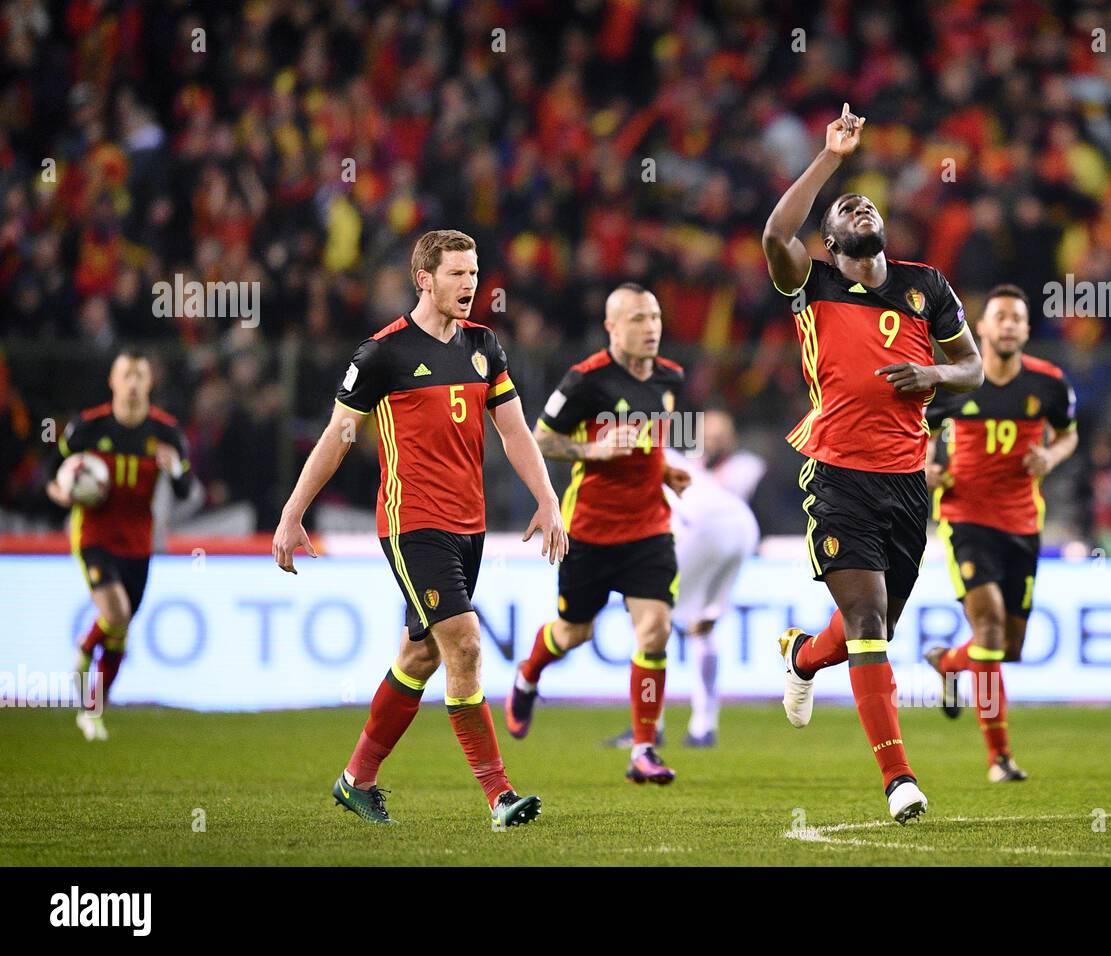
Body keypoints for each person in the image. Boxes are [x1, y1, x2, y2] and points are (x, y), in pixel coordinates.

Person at [272, 229, 567, 828]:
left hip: (470, 527)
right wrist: (292, 512)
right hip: (413, 525)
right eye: (458, 274)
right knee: (464, 642)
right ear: (424, 280)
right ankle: (499, 797)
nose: (471, 285)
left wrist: (548, 499)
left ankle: (356, 779)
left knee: (421, 653)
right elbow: (339, 436)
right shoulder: (381, 354)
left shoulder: (485, 347)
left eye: (475, 273)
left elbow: (515, 433)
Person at [762, 104, 983, 824]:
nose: (858, 205)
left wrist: (936, 380)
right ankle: (898, 780)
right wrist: (830, 158)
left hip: (907, 482)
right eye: (844, 208)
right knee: (864, 614)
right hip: (836, 472)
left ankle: (801, 659)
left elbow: (974, 370)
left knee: (871, 628)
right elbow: (773, 233)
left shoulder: (927, 285)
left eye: (864, 200)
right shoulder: (813, 283)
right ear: (829, 242)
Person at [505, 283, 691, 785]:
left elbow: (648, 442)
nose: (650, 326)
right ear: (611, 327)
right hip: (589, 531)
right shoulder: (585, 380)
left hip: (650, 528)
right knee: (574, 634)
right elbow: (542, 438)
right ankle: (528, 675)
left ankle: (644, 749)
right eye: (636, 318)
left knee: (654, 631)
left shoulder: (671, 377)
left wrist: (665, 471)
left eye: (654, 316)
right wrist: (595, 452)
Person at [922, 283, 1079, 781]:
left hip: (1023, 524)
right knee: (988, 631)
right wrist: (925, 467)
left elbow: (1069, 434)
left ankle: (947, 663)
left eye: (1017, 318)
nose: (1008, 324)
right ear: (983, 328)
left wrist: (1049, 456)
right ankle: (999, 758)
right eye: (1000, 317)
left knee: (1009, 648)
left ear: (1027, 330)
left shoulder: (1050, 384)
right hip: (965, 519)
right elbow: (911, 434)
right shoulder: (954, 385)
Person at [46, 349, 194, 741]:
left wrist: (174, 467)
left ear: (149, 383)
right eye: (125, 375)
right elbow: (51, 471)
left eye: (139, 376)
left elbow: (185, 489)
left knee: (120, 630)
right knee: (117, 610)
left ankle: (92, 710)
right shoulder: (87, 428)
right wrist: (61, 492)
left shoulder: (166, 433)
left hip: (138, 544)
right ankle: (83, 654)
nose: (132, 383)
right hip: (94, 536)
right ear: (112, 382)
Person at [605, 409, 765, 748]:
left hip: (701, 529)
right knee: (701, 625)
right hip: (742, 525)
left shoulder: (630, 463)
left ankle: (649, 727)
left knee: (647, 618)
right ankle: (704, 726)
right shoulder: (672, 454)